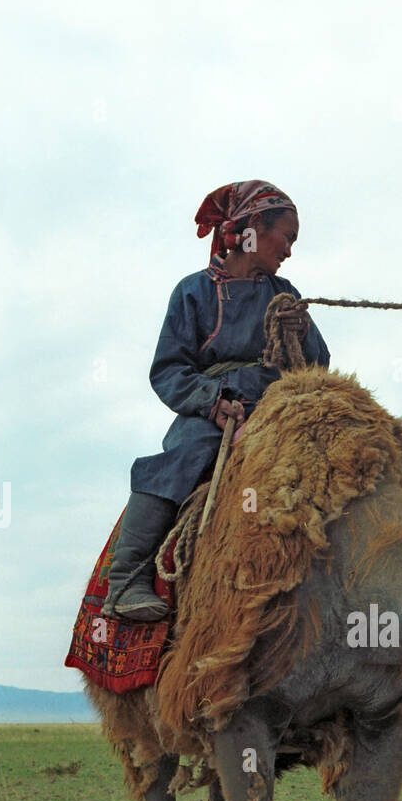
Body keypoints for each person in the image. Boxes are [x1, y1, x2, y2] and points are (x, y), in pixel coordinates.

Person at [103, 180, 330, 623]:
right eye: (287, 237)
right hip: (213, 412)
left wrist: (300, 331)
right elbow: (168, 370)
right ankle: (126, 582)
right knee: (184, 456)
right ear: (255, 228)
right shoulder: (193, 292)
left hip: (277, 406)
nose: (289, 251)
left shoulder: (284, 294)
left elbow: (317, 368)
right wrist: (213, 401)